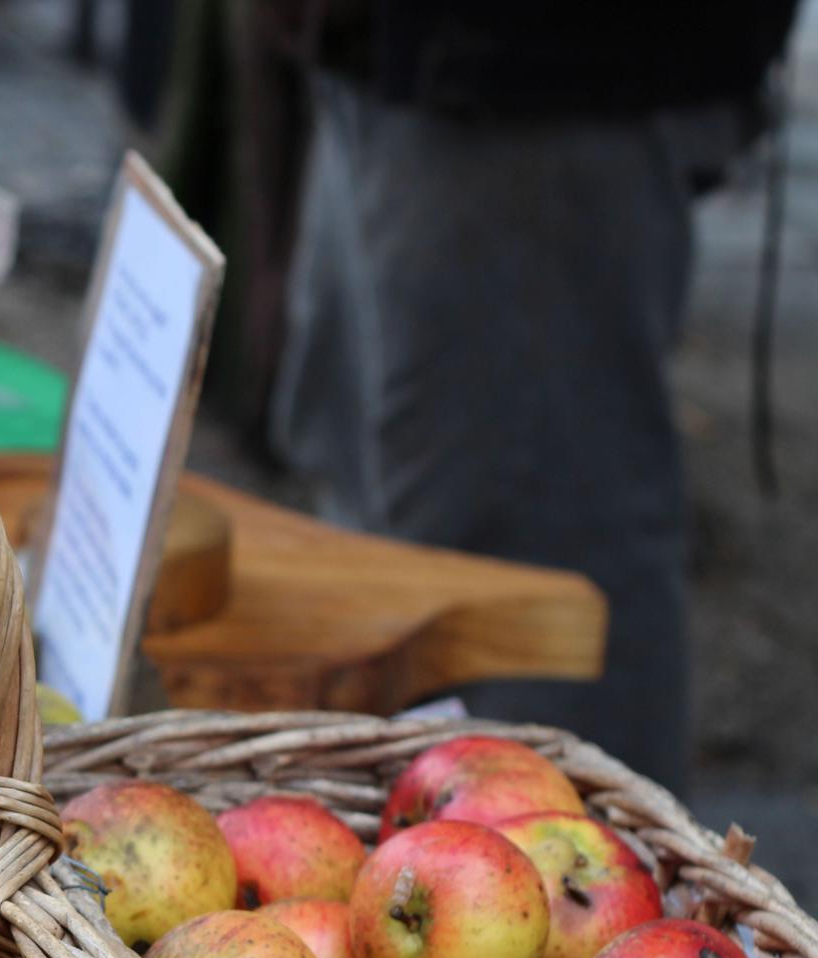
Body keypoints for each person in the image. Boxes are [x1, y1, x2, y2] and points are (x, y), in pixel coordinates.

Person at [271, 0, 799, 792]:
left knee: (538, 578)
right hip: (378, 53)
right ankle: (390, 830)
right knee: (367, 518)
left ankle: (608, 889)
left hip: (536, 73)